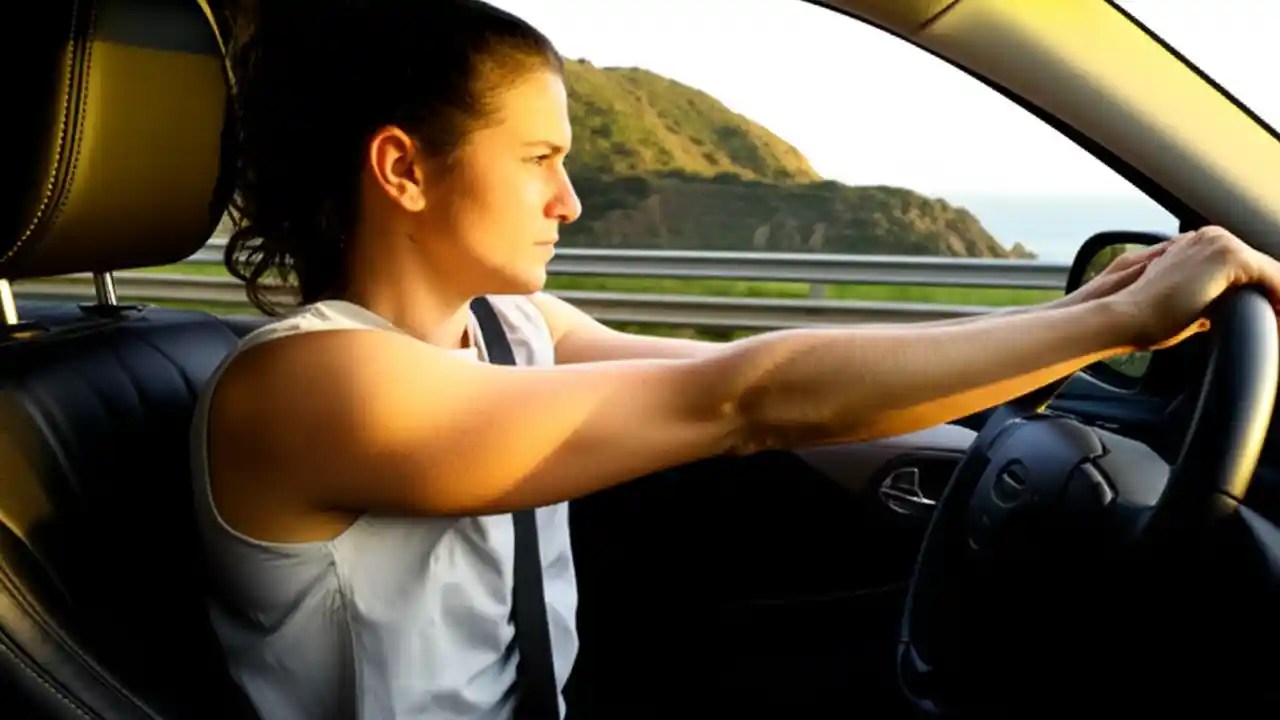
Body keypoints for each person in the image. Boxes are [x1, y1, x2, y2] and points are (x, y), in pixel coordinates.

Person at [190, 1, 1280, 718]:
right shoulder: (310, 385)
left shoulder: (514, 332)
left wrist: (1093, 307)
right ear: (403, 169)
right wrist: (1110, 329)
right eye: (538, 161)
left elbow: (783, 375)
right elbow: (744, 399)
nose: (568, 200)